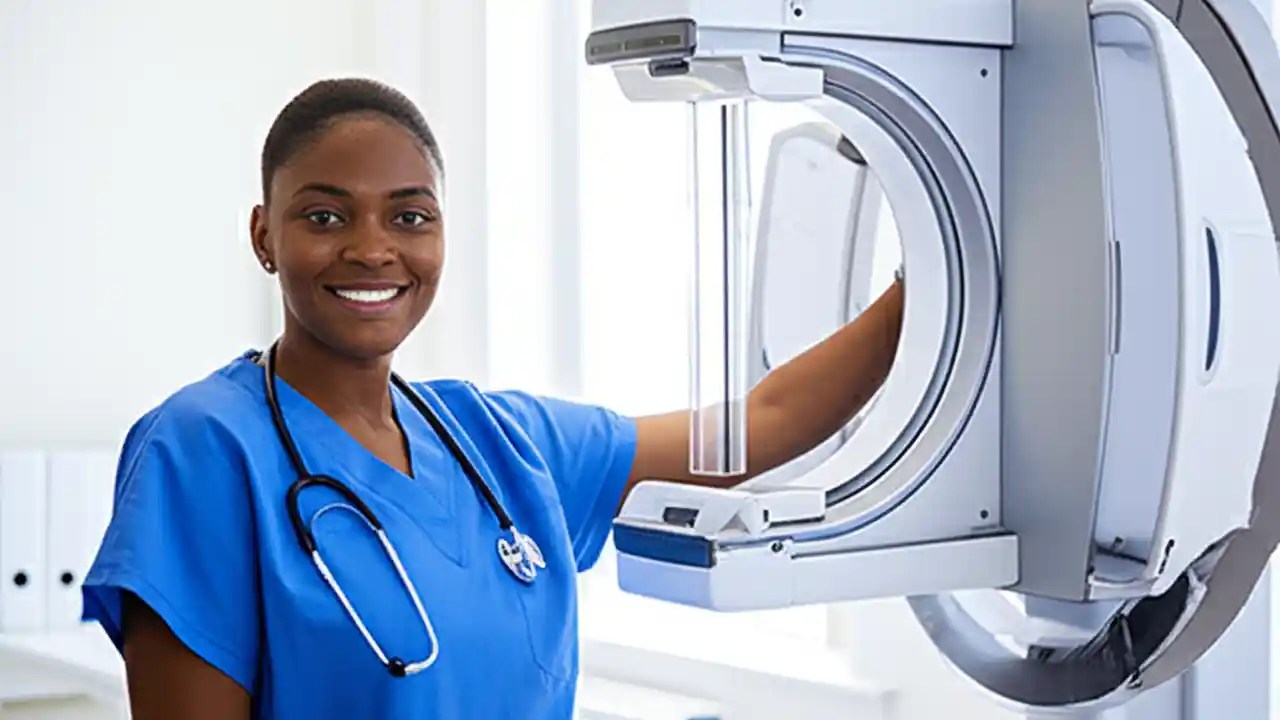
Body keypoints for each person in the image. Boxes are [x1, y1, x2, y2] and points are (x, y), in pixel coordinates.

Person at [81, 77, 904, 719]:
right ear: (266, 236)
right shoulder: (203, 447)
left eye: (409, 217)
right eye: (326, 216)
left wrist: (933, 277)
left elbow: (763, 426)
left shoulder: (498, 441)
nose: (373, 249)